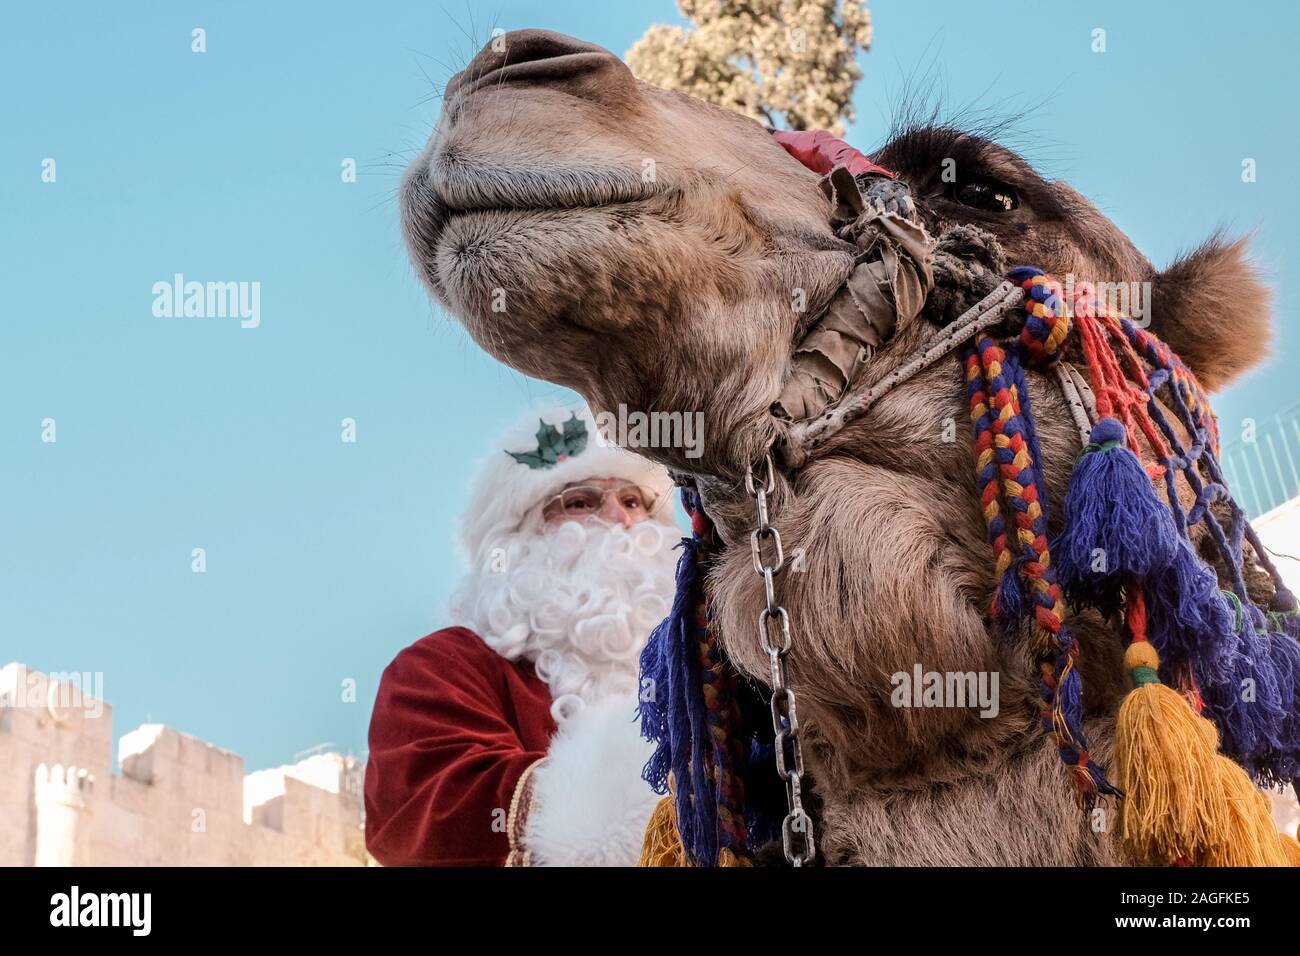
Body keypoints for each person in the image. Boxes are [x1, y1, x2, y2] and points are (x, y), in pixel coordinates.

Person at [364, 405, 680, 865]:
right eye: (581, 501)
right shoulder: (440, 669)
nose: (620, 519)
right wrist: (641, 804)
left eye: (634, 502)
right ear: (517, 542)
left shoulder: (713, 678)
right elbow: (426, 813)